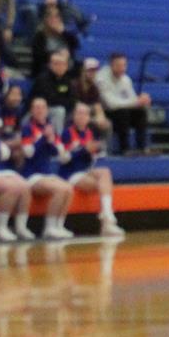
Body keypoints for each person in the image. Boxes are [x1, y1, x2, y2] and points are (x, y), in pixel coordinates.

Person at [59, 100, 124, 238]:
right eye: (79, 113)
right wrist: (84, 150)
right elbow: (63, 158)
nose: (82, 116)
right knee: (103, 186)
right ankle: (107, 220)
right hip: (70, 173)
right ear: (74, 116)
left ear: (89, 117)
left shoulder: (89, 133)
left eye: (85, 114)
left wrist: (96, 149)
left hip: (85, 171)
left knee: (105, 172)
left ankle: (107, 216)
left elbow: (94, 157)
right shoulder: (67, 133)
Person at [16, 98, 78, 241]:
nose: (40, 110)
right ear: (31, 111)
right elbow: (29, 153)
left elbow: (58, 153)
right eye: (36, 107)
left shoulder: (50, 128)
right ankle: (49, 227)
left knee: (68, 188)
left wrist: (51, 141)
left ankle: (59, 225)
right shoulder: (27, 128)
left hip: (46, 173)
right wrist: (43, 138)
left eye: (42, 107)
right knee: (59, 189)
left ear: (47, 110)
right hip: (31, 175)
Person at [94, 52, 149, 155]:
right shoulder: (101, 78)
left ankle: (142, 147)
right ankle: (125, 148)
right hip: (105, 113)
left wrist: (142, 102)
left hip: (121, 112)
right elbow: (110, 104)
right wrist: (136, 101)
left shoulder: (126, 79)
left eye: (124, 65)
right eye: (118, 65)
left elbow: (133, 101)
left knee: (140, 112)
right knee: (123, 113)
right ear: (111, 65)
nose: (122, 68)